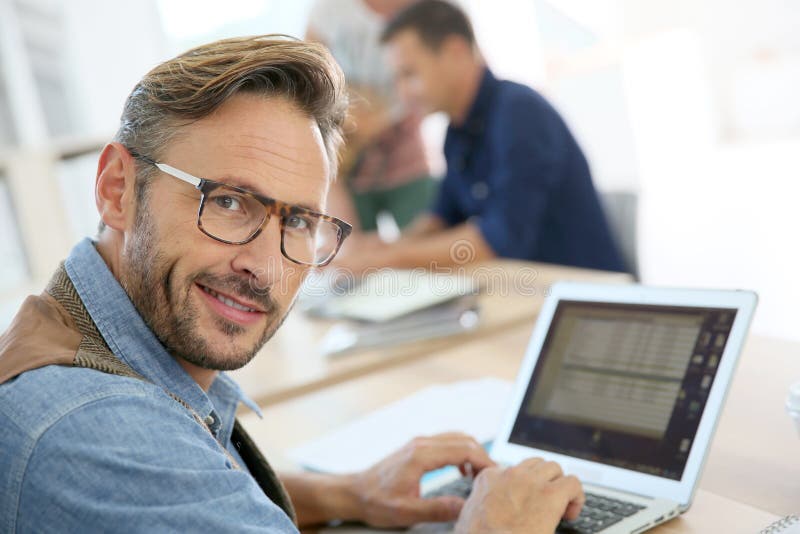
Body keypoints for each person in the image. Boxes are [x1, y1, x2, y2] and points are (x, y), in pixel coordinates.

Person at [0, 36, 583, 532]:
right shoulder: (95, 430)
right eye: (228, 201)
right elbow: (148, 473)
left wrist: (348, 492)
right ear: (117, 189)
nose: (266, 264)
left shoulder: (86, 348)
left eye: (299, 220)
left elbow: (190, 481)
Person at [335, 0, 625, 274]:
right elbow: (443, 217)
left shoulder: (520, 113)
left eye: (409, 74)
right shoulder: (457, 131)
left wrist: (388, 258)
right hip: (526, 291)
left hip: (582, 295)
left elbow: (497, 239)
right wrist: (388, 246)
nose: (402, 93)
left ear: (455, 52)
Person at [306, 0, 438, 233]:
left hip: (407, 154)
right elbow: (308, 76)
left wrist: (382, 120)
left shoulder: (434, 8)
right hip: (346, 156)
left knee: (429, 248)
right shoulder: (330, 9)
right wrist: (347, 118)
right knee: (346, 251)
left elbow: (443, 82)